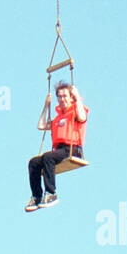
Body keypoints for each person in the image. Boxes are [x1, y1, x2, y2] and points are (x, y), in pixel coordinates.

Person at [25, 82, 88, 211]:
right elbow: (41, 126)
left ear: (70, 97)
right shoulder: (58, 119)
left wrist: (77, 98)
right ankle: (36, 196)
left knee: (48, 157)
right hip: (59, 150)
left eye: (65, 96)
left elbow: (82, 117)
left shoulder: (76, 111)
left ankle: (51, 193)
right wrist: (46, 106)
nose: (62, 99)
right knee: (34, 162)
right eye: (59, 97)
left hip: (72, 149)